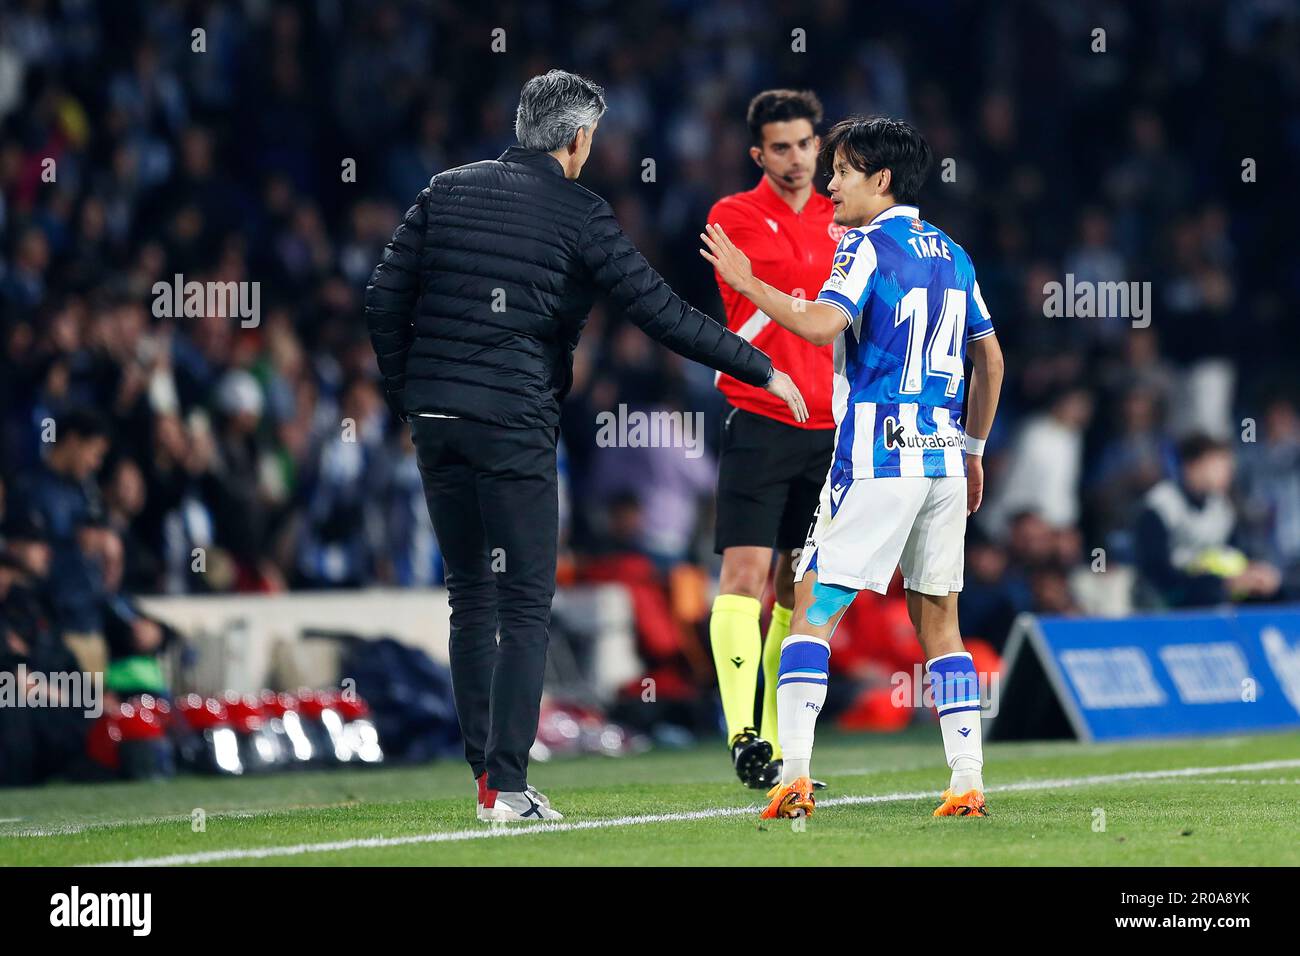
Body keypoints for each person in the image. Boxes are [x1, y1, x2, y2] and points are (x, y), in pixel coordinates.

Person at [364, 70, 806, 823]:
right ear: (577, 139)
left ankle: (485, 777)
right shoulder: (577, 211)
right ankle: (505, 787)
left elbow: (382, 298)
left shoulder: (445, 189)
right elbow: (660, 312)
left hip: (436, 420)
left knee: (470, 593)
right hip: (511, 422)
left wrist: (414, 393)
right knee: (527, 600)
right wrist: (761, 363)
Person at [701, 115, 1005, 820]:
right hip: (940, 457)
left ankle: (795, 776)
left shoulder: (866, 245)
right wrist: (974, 449)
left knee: (811, 608)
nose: (829, 183)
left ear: (881, 179)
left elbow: (818, 325)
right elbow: (989, 358)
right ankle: (966, 782)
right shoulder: (954, 255)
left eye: (842, 170)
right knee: (941, 625)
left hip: (876, 451)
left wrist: (750, 282)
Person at [704, 90, 840, 789]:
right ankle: (742, 733)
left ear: (821, 146)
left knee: (803, 591)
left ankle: (789, 754)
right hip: (760, 415)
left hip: (832, 431)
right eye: (779, 147)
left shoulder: (845, 215)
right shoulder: (733, 216)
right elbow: (755, 311)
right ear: (758, 153)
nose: (794, 159)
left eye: (804, 144)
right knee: (745, 578)